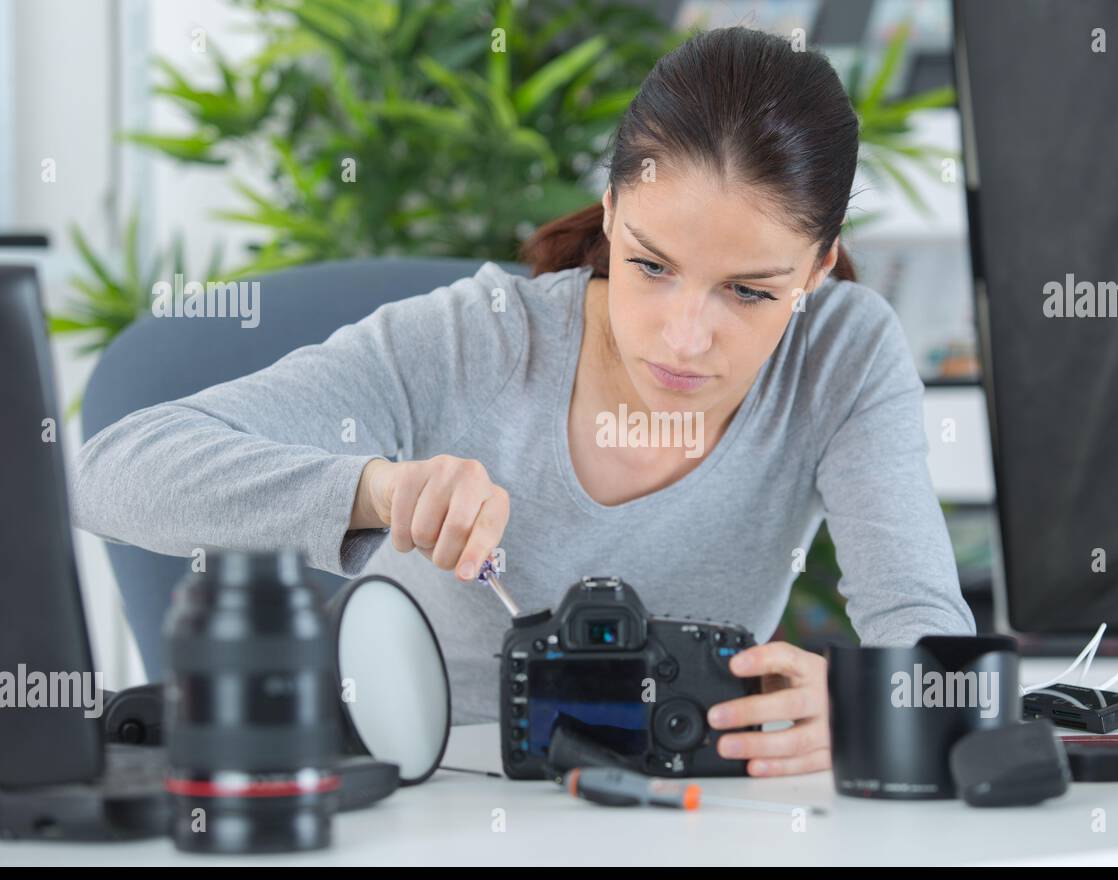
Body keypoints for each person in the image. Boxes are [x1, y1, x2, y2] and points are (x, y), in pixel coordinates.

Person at [72, 26, 974, 777]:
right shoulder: (474, 340)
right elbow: (110, 475)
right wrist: (377, 492)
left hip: (689, 823)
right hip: (425, 807)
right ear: (614, 213)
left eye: (748, 292)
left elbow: (930, 642)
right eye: (652, 266)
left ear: (817, 270)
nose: (683, 337)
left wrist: (868, 705)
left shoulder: (842, 354)